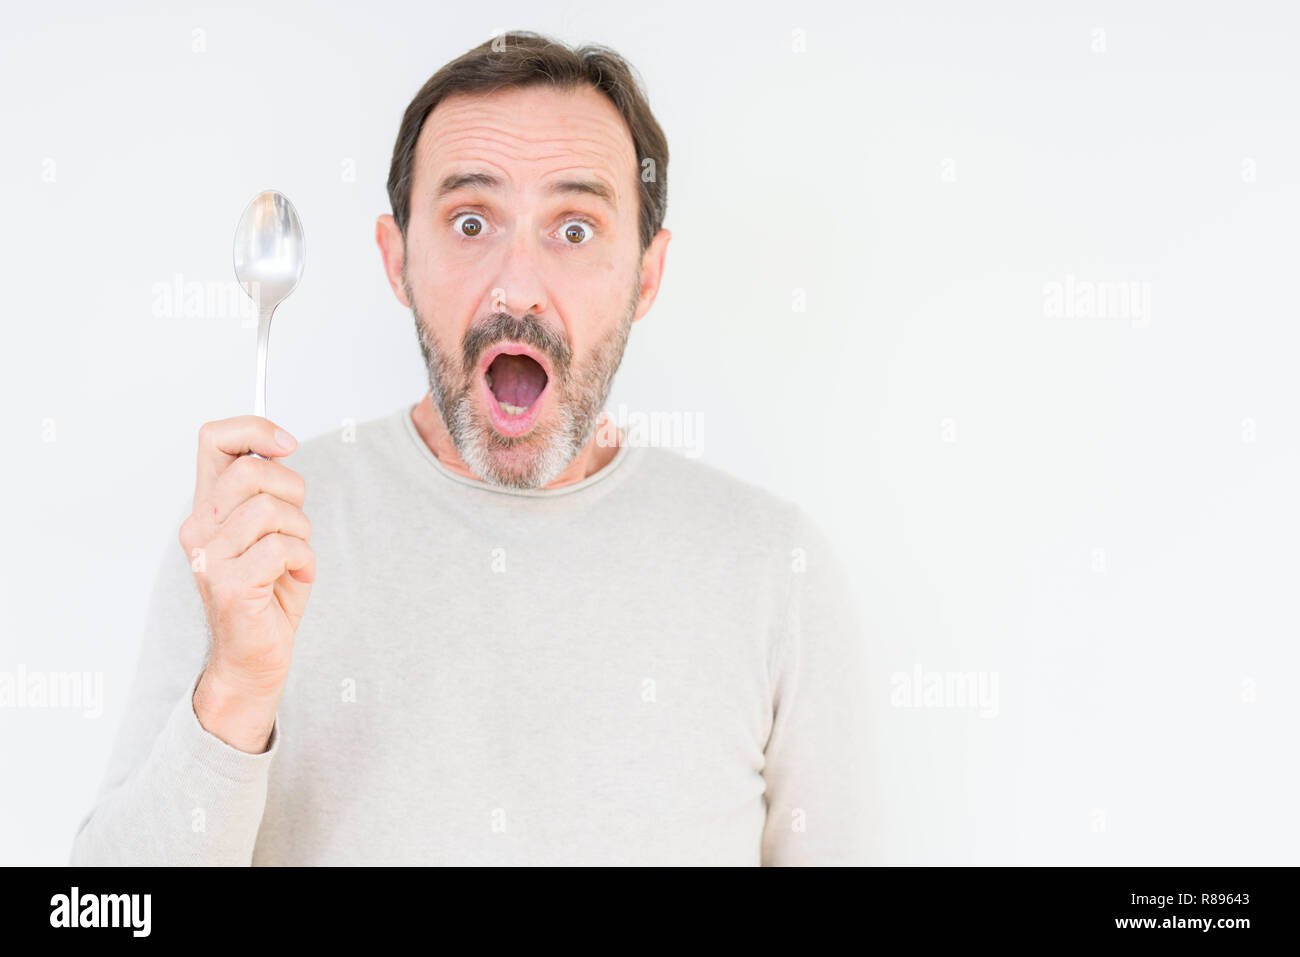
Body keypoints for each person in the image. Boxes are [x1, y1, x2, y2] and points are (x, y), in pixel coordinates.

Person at [70, 30, 874, 866]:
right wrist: (235, 689)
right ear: (398, 260)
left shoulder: (776, 572)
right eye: (469, 220)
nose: (517, 286)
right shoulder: (252, 535)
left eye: (574, 229)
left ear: (647, 273)